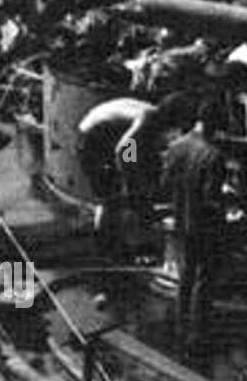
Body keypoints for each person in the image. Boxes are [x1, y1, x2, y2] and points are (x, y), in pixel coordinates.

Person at [77, 93, 192, 258]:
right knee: (111, 197)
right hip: (91, 141)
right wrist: (130, 177)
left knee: (117, 195)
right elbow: (124, 149)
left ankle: (112, 242)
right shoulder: (149, 118)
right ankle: (105, 247)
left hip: (99, 132)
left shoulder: (152, 111)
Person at [161, 98, 227, 366]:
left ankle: (181, 328)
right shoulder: (214, 155)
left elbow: (165, 182)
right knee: (204, 280)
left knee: (185, 276)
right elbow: (212, 198)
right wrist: (228, 206)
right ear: (213, 125)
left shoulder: (176, 147)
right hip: (205, 225)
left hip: (181, 222)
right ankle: (199, 337)